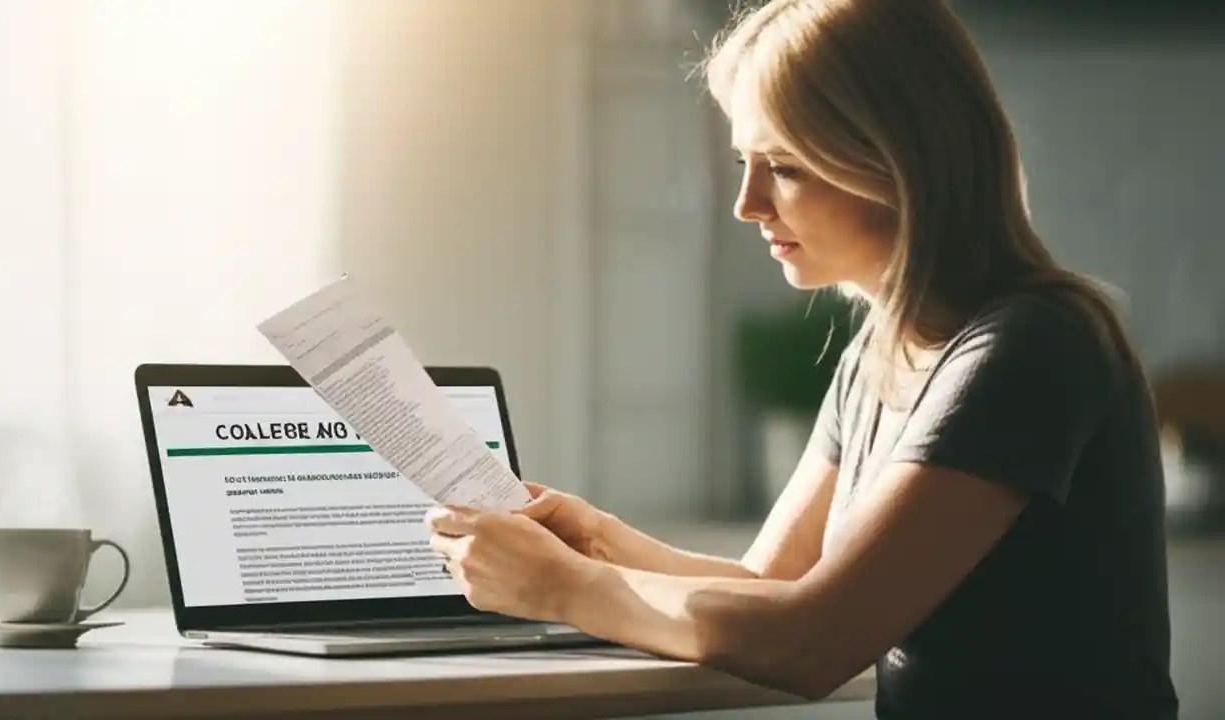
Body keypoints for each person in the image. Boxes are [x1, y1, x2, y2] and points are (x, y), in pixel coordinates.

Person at [427, 0, 1178, 717]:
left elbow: (814, 639)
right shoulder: (878, 354)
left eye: (783, 166)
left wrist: (566, 588)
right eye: (745, 161)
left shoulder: (1032, 345)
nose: (748, 203)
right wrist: (597, 541)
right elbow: (772, 585)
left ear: (900, 161)